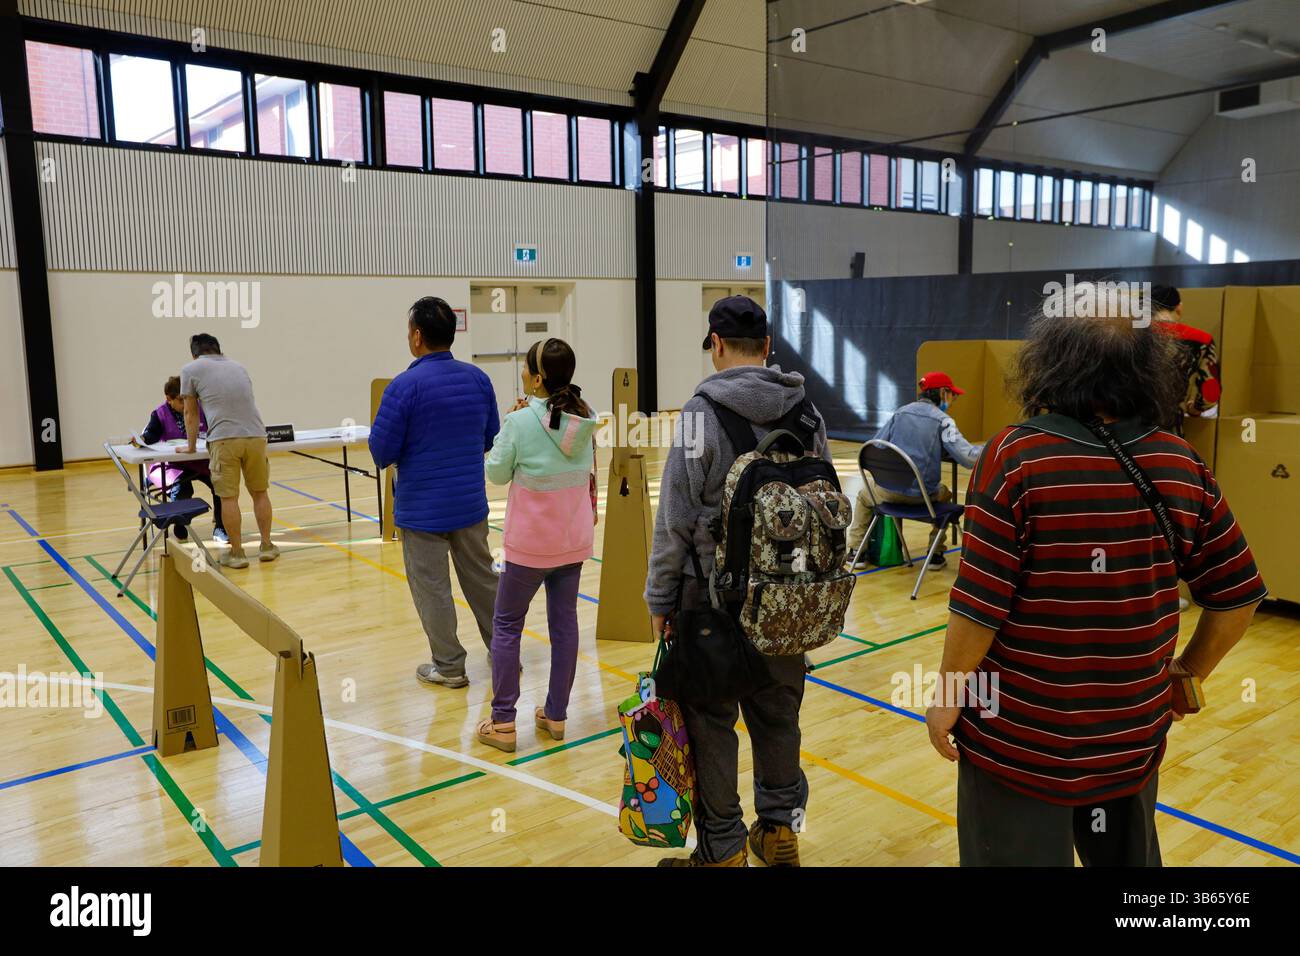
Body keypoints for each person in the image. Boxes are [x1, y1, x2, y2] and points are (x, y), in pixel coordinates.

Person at [925, 305, 1266, 867]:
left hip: (1020, 743)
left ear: (1051, 363)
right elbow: (1239, 595)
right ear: (1145, 370)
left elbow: (979, 608)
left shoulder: (1015, 458)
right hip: (1131, 738)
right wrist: (1187, 674)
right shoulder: (1180, 461)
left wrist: (945, 700)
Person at [645, 294, 829, 867]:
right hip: (791, 597)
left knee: (711, 720)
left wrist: (659, 596)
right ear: (769, 348)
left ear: (716, 344)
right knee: (779, 714)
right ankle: (779, 833)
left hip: (714, 601)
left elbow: (675, 517)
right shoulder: (807, 413)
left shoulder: (700, 415)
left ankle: (723, 848)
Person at [475, 338, 601, 752]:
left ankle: (504, 722)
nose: (524, 374)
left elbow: (496, 474)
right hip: (572, 543)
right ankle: (557, 715)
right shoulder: (586, 418)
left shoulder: (520, 422)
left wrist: (509, 428)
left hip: (530, 547)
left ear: (538, 376)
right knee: (564, 625)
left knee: (507, 626)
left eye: (528, 368)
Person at [369, 296, 500, 689]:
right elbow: (491, 436)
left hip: (422, 510)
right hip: (470, 504)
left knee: (433, 589)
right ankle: (504, 652)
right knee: (482, 579)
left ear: (417, 336)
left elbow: (381, 451)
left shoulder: (403, 387)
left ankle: (449, 666)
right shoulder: (479, 379)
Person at [846, 372, 983, 569]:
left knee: (864, 496)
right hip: (922, 497)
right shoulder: (943, 420)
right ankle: (935, 554)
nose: (954, 400)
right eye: (953, 395)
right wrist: (988, 447)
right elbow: (969, 459)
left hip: (888, 493)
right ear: (943, 393)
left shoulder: (900, 413)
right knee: (945, 493)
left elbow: (877, 446)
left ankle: (855, 553)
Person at [180, 333, 277, 569]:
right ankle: (266, 546)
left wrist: (191, 446)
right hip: (256, 435)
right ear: (218, 350)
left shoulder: (190, 369)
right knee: (260, 492)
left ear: (195, 353)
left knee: (229, 498)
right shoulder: (239, 366)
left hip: (224, 439)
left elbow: (190, 414)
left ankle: (237, 553)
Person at [140, 375, 226, 543]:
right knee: (183, 489)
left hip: (199, 461)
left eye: (188, 399)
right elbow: (151, 435)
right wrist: (142, 440)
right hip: (173, 465)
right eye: (181, 400)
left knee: (220, 483)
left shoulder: (201, 409)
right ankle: (180, 524)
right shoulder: (159, 414)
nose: (186, 404)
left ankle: (221, 526)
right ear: (169, 399)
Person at [1150, 284, 1221, 430]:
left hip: (1121, 433)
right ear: (1179, 307)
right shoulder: (1201, 340)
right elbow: (1211, 392)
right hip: (1169, 432)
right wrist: (1195, 408)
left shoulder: (1127, 336)